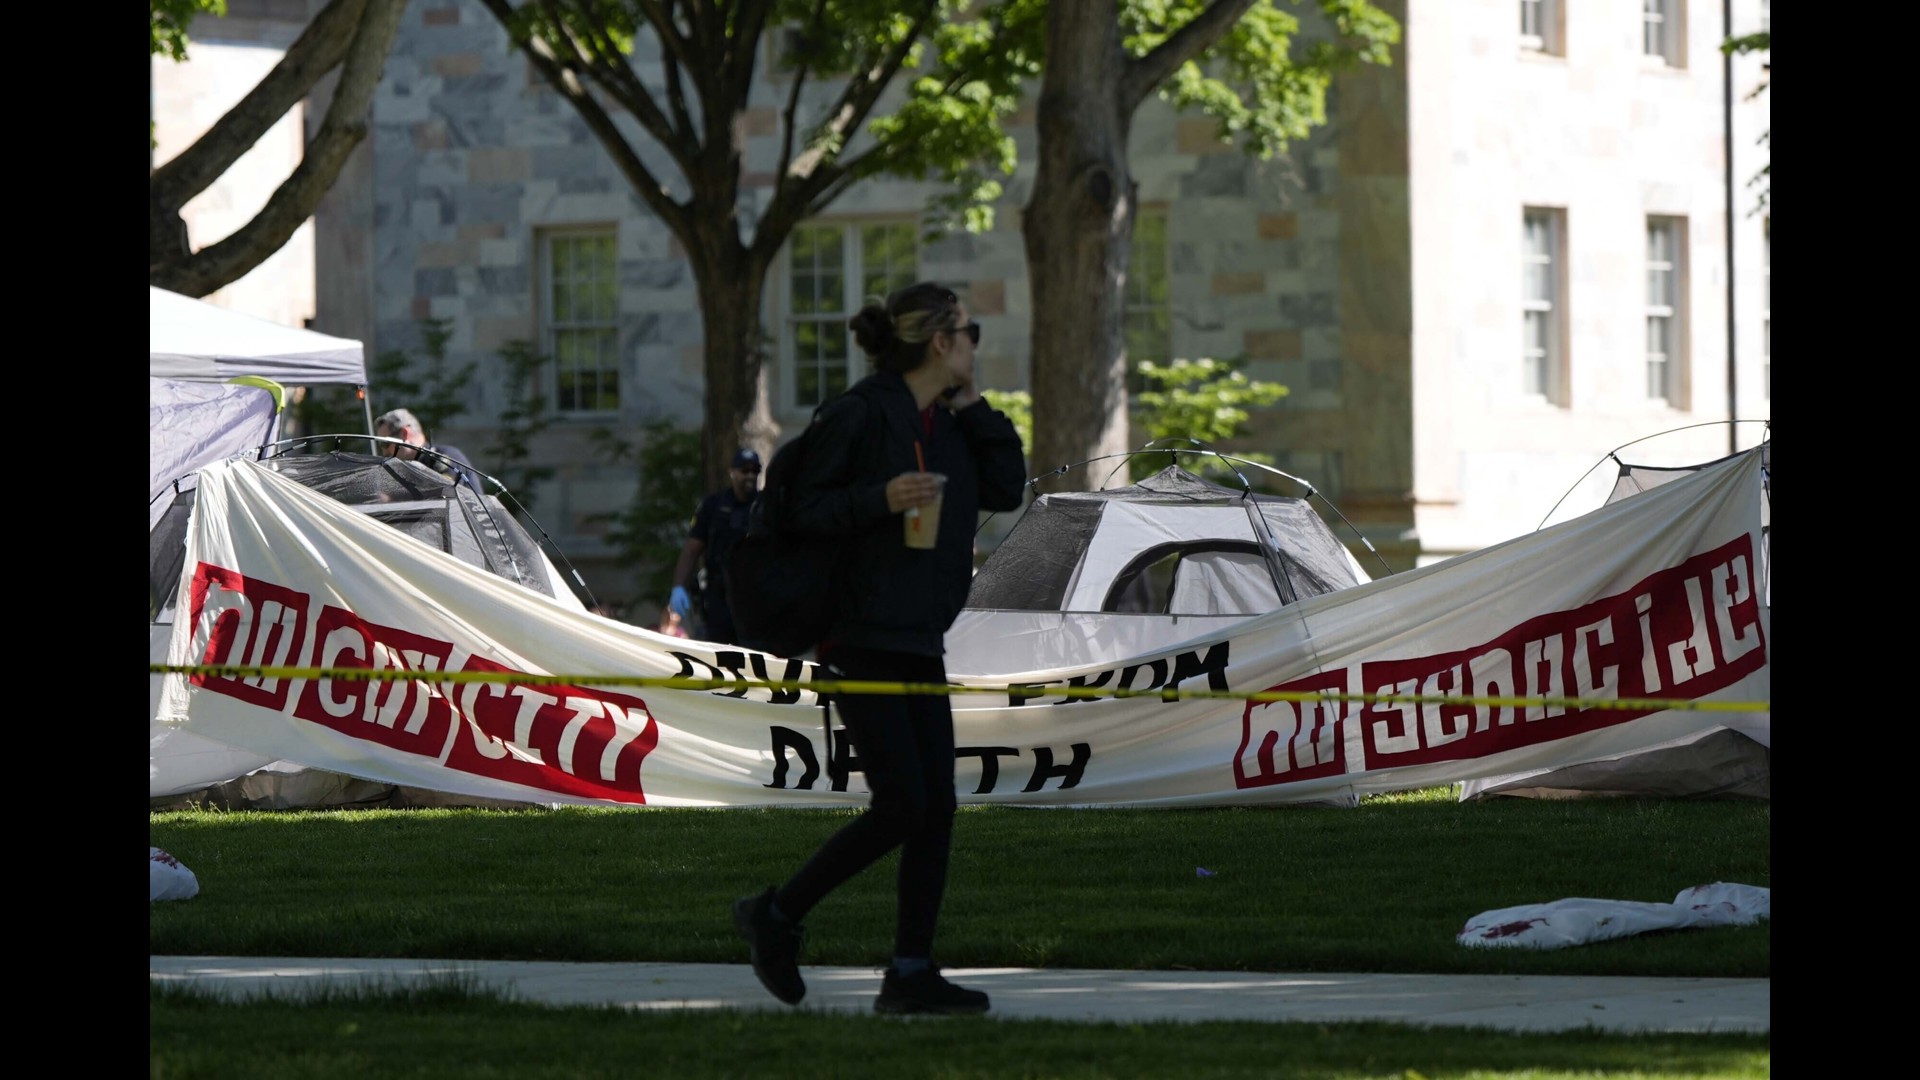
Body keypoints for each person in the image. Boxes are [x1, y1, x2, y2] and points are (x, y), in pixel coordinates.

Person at [731, 282, 1025, 1015]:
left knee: (937, 806)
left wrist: (974, 404)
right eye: (970, 333)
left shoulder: (948, 421)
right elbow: (795, 511)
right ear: (941, 342)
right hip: (861, 635)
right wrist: (879, 500)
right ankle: (775, 914)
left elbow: (1008, 484)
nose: (974, 345)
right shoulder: (862, 415)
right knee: (903, 804)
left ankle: (911, 971)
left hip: (920, 634)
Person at [669, 448, 762, 645]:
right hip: (719, 596)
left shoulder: (765, 505)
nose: (750, 475)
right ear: (732, 472)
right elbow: (692, 549)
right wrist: (678, 587)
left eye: (755, 470)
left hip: (755, 597)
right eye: (744, 470)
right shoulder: (713, 505)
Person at [374, 408, 480, 488]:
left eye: (385, 443)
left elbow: (445, 503)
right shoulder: (411, 465)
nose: (384, 451)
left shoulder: (442, 459)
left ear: (404, 434)